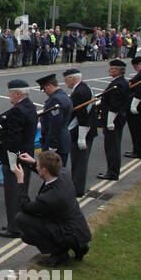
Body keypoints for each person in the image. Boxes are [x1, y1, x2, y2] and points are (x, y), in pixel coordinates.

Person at [12, 151, 92, 266]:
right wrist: (33, 163)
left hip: (68, 232)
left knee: (22, 220)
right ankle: (79, 247)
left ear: (44, 170)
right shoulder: (64, 174)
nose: (37, 167)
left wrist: (20, 181)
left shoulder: (50, 198)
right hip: (78, 228)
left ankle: (59, 254)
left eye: (38, 165)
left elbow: (25, 207)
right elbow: (49, 172)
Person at [0, 79, 37, 237]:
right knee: (21, 192)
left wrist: (12, 164)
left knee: (13, 194)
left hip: (15, 160)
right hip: (26, 157)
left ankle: (14, 227)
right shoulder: (30, 106)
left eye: (10, 93)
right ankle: (20, 223)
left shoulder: (17, 111)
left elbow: (13, 140)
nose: (9, 96)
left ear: (17, 93)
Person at [95, 59, 131, 181]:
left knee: (112, 148)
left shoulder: (118, 84)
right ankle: (112, 170)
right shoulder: (119, 82)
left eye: (112, 69)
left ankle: (112, 172)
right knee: (112, 147)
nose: (109, 71)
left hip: (114, 121)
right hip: (116, 119)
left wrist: (110, 122)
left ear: (118, 71)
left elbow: (115, 105)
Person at [64, 69, 94, 198]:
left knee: (79, 161)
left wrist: (82, 136)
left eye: (66, 80)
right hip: (83, 130)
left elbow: (82, 116)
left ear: (72, 78)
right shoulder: (83, 88)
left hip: (80, 131)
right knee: (78, 161)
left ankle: (77, 189)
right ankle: (76, 185)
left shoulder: (79, 92)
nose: (65, 83)